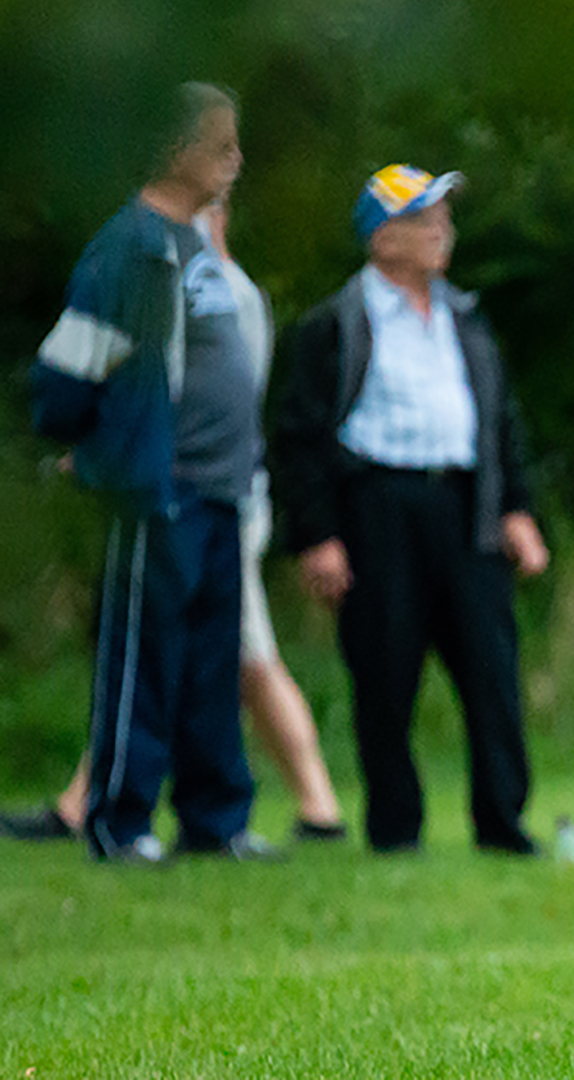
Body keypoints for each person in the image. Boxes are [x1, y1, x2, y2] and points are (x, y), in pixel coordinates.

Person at [2, 198, 348, 847]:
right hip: (201, 491)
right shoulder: (177, 275)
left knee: (230, 654)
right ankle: (100, 801)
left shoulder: (223, 291)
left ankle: (308, 805)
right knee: (179, 653)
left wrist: (116, 450)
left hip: (212, 495)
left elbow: (205, 394)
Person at [25, 82, 279, 863]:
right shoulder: (127, 247)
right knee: (143, 658)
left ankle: (215, 820)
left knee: (212, 663)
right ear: (176, 150)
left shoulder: (197, 244)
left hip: (219, 492)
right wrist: (95, 445)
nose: (237, 158)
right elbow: (68, 371)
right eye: (221, 143)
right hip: (156, 489)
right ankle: (121, 820)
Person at [275, 164, 549, 856]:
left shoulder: (464, 315)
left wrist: (516, 508)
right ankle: (396, 830)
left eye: (443, 218)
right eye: (423, 221)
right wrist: (318, 536)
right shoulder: (335, 323)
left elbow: (499, 420)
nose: (440, 232)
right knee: (385, 670)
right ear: (381, 239)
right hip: (377, 507)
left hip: (464, 505)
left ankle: (502, 822)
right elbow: (300, 440)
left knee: (491, 667)